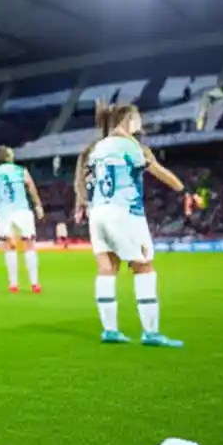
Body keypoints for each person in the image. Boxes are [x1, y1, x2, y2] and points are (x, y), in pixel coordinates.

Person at [73, 101, 189, 347]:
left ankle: (110, 331)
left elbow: (85, 178)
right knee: (144, 267)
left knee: (107, 268)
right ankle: (151, 333)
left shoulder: (98, 147)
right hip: (125, 212)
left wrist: (81, 203)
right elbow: (157, 171)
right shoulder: (131, 145)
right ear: (129, 120)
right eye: (138, 118)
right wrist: (182, 188)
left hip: (99, 212)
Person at [0, 147, 43, 293]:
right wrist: (38, 205)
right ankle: (34, 283)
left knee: (9, 247)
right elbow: (31, 186)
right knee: (29, 245)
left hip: (4, 213)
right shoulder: (21, 170)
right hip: (23, 210)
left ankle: (14, 284)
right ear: (8, 156)